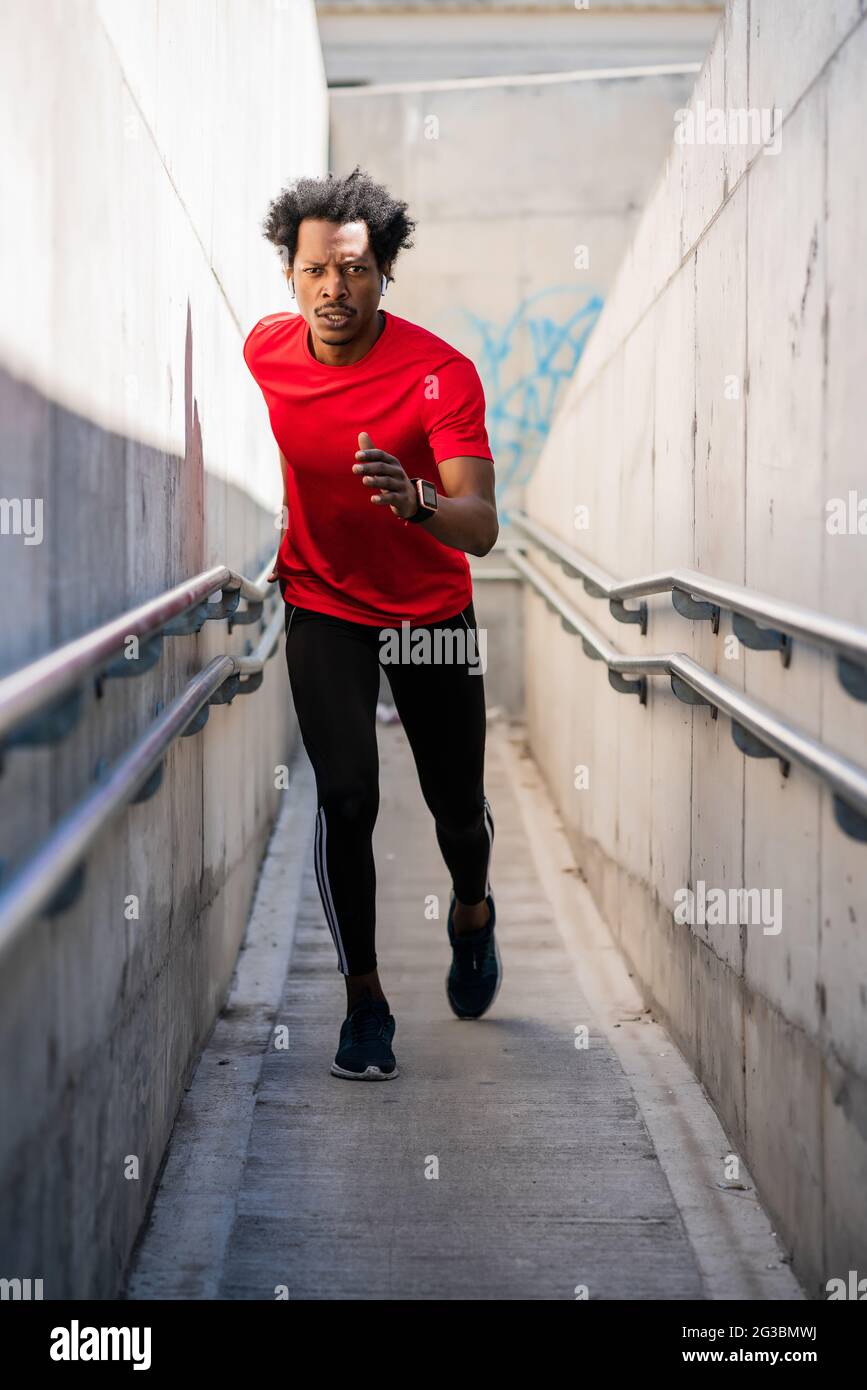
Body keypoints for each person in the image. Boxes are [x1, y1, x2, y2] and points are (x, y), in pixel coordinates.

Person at [242, 166, 501, 1081]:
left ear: (384, 272)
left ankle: (472, 914)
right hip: (322, 603)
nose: (332, 289)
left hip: (429, 612)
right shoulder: (266, 350)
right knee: (347, 798)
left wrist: (418, 501)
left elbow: (482, 525)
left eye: (352, 270)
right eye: (316, 270)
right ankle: (365, 1004)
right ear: (291, 274)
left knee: (456, 812)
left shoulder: (438, 376)